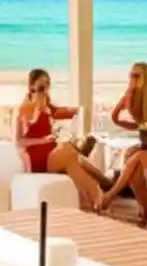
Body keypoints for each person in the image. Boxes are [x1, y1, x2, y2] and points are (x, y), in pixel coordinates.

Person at [97, 61, 147, 224]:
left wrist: (143, 126)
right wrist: (132, 123)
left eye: (137, 76)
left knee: (137, 157)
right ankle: (146, 207)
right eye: (131, 75)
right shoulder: (131, 97)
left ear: (146, 79)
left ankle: (110, 196)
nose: (132, 79)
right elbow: (115, 117)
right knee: (131, 158)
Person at [17, 69, 107, 211]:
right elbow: (19, 142)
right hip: (37, 156)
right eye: (41, 87)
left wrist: (76, 111)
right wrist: (44, 140)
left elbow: (58, 112)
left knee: (73, 163)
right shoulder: (26, 108)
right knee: (70, 151)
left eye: (47, 86)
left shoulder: (46, 105)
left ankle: (91, 199)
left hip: (50, 151)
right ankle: (98, 192)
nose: (44, 91)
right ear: (31, 87)